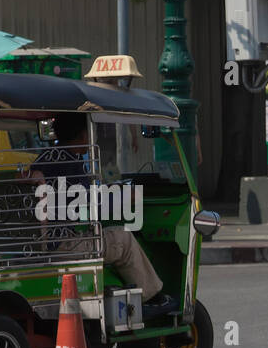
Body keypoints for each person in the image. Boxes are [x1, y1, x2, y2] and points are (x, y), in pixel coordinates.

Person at [30, 113, 176, 315]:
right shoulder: (72, 164)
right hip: (64, 245)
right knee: (123, 238)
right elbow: (92, 204)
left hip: (38, 243)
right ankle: (151, 298)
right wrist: (124, 196)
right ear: (83, 135)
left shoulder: (44, 158)